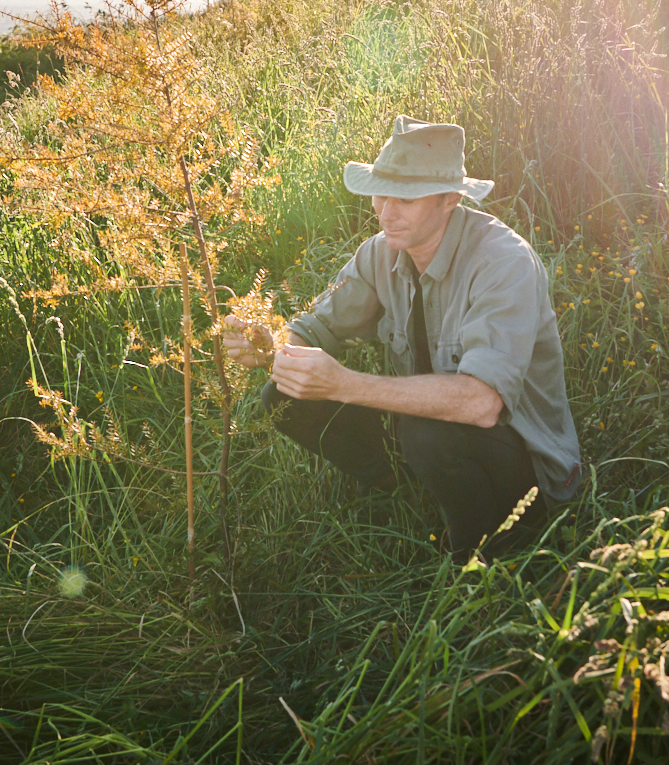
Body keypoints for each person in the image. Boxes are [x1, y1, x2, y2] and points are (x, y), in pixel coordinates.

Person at [224, 115, 582, 559]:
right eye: (380, 193)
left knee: (428, 435)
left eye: (406, 199)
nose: (385, 211)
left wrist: (345, 384)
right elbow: (316, 328)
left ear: (449, 199)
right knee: (283, 396)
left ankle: (489, 559)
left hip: (520, 459)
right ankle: (395, 488)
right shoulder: (381, 253)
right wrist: (271, 345)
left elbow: (481, 403)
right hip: (429, 436)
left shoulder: (502, 262)